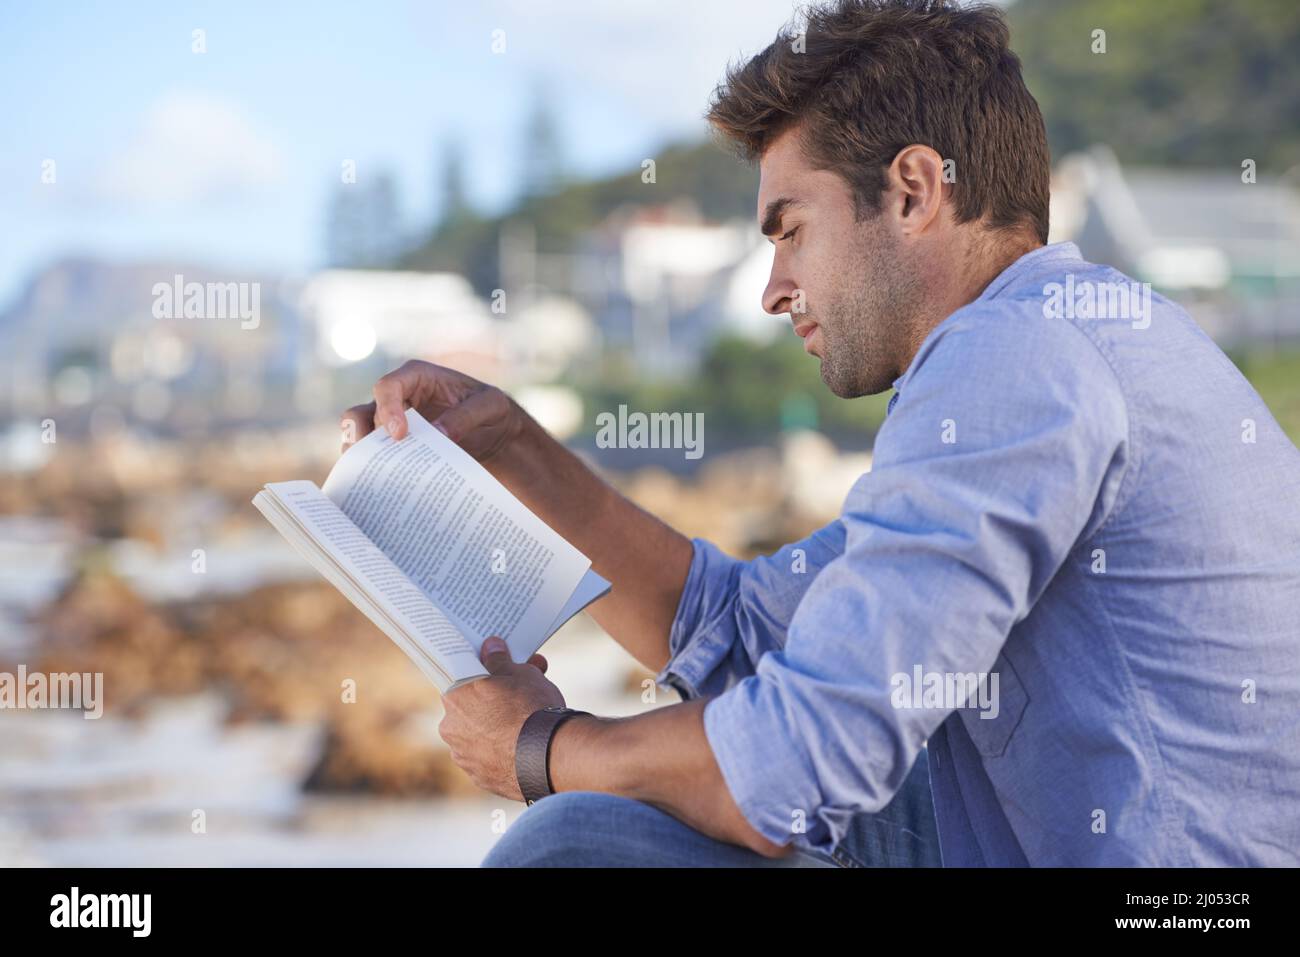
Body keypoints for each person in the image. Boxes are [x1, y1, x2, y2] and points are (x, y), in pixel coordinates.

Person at [340, 0, 1300, 866]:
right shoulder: (1052, 338)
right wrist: (511, 445)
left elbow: (801, 764)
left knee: (578, 843)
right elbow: (741, 628)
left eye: (790, 229)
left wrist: (546, 749)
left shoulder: (1016, 359)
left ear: (915, 191)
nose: (771, 291)